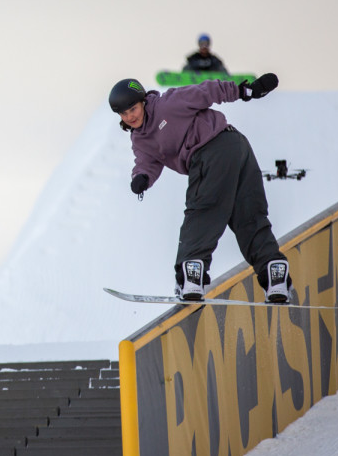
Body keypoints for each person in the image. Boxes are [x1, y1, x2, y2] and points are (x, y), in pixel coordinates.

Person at [109, 75, 292, 303]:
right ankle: (274, 273)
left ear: (143, 101)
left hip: (213, 148)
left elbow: (207, 91)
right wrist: (141, 178)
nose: (130, 117)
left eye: (133, 109)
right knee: (249, 216)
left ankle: (191, 275)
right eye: (124, 114)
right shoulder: (140, 140)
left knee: (202, 210)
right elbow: (146, 162)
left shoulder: (168, 104)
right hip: (237, 149)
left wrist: (246, 91)